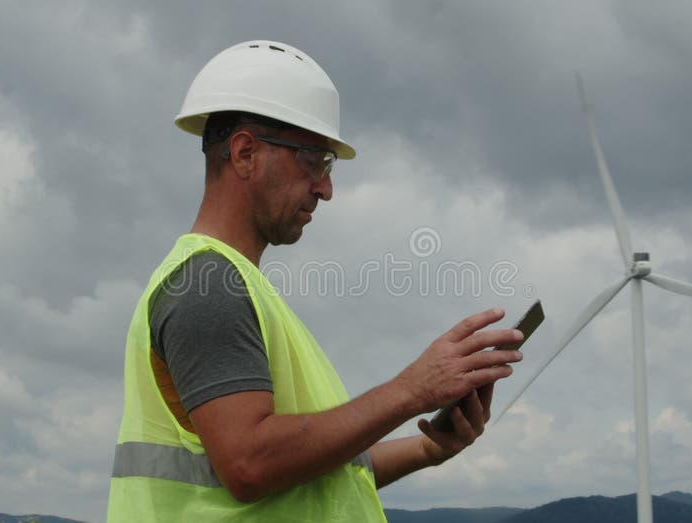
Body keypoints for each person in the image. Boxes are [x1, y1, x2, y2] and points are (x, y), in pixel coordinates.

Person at [106, 40, 525, 523]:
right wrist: (413, 390)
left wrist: (426, 450)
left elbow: (315, 473)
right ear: (245, 153)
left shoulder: (236, 286)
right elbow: (250, 464)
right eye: (314, 161)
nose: (326, 188)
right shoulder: (209, 285)